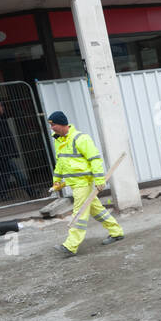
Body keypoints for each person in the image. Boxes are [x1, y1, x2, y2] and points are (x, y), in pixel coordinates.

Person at [48, 110, 123, 257]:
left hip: (83, 183)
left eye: (53, 124)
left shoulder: (80, 138)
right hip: (75, 183)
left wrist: (99, 179)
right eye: (50, 125)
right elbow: (60, 162)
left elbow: (95, 159)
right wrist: (56, 180)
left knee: (79, 214)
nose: (52, 128)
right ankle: (116, 232)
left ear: (63, 124)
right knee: (97, 210)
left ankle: (71, 246)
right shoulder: (59, 140)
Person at [0, 100, 28, 200]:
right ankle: (31, 191)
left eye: (2, 106)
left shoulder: (0, 118)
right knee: (18, 174)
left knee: (5, 175)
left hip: (5, 152)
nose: (2, 108)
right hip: (4, 153)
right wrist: (3, 148)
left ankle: (0, 195)